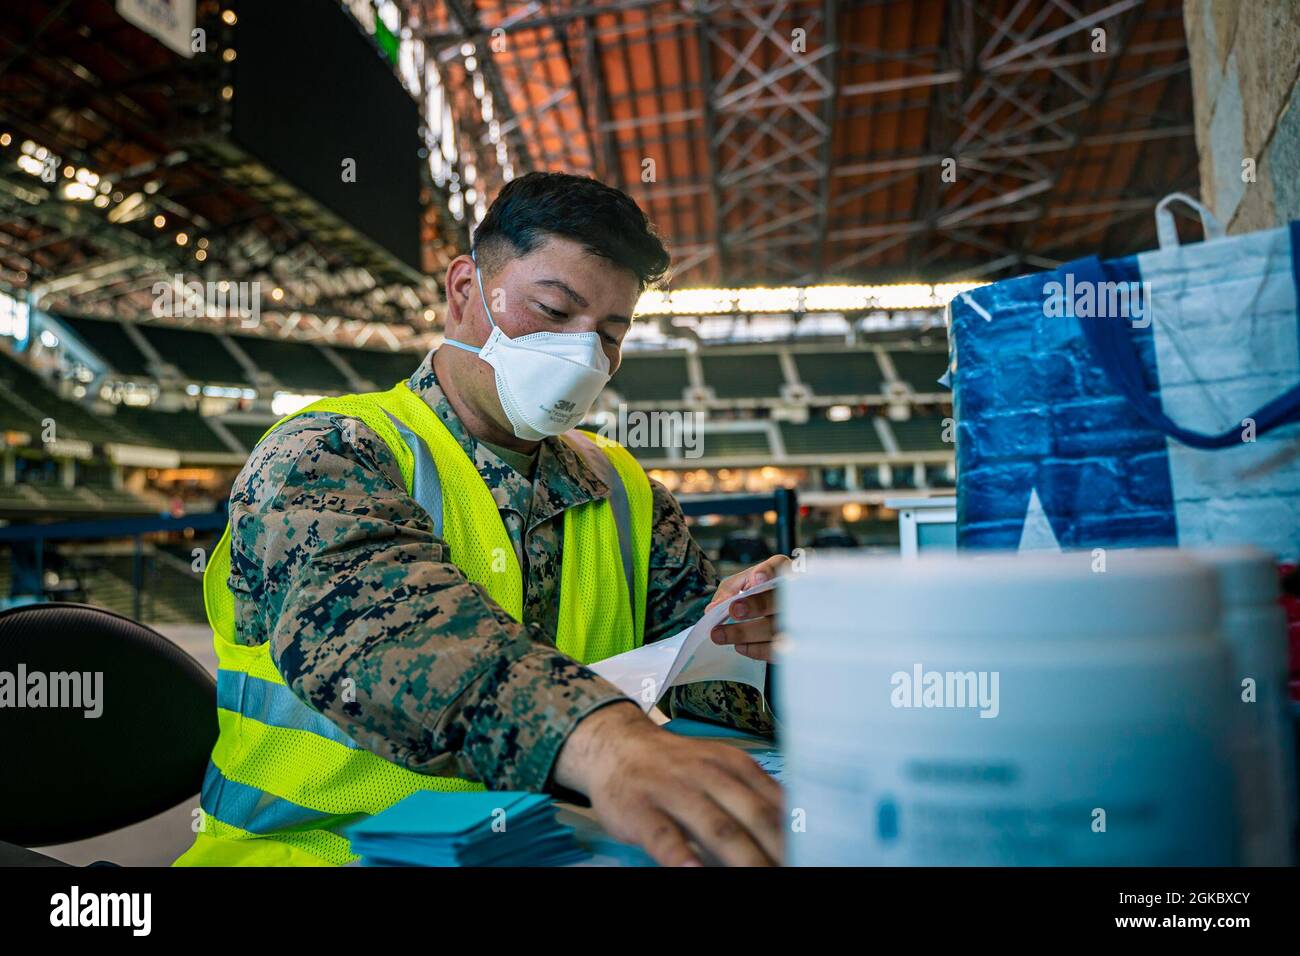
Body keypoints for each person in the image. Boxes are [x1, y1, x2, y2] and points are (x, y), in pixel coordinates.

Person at [175, 172, 786, 868]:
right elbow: (388, 637)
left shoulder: (624, 490)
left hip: (547, 851)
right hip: (318, 857)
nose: (585, 355)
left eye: (611, 334)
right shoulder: (326, 452)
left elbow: (696, 671)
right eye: (554, 312)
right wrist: (605, 743)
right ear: (465, 289)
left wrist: (770, 647)